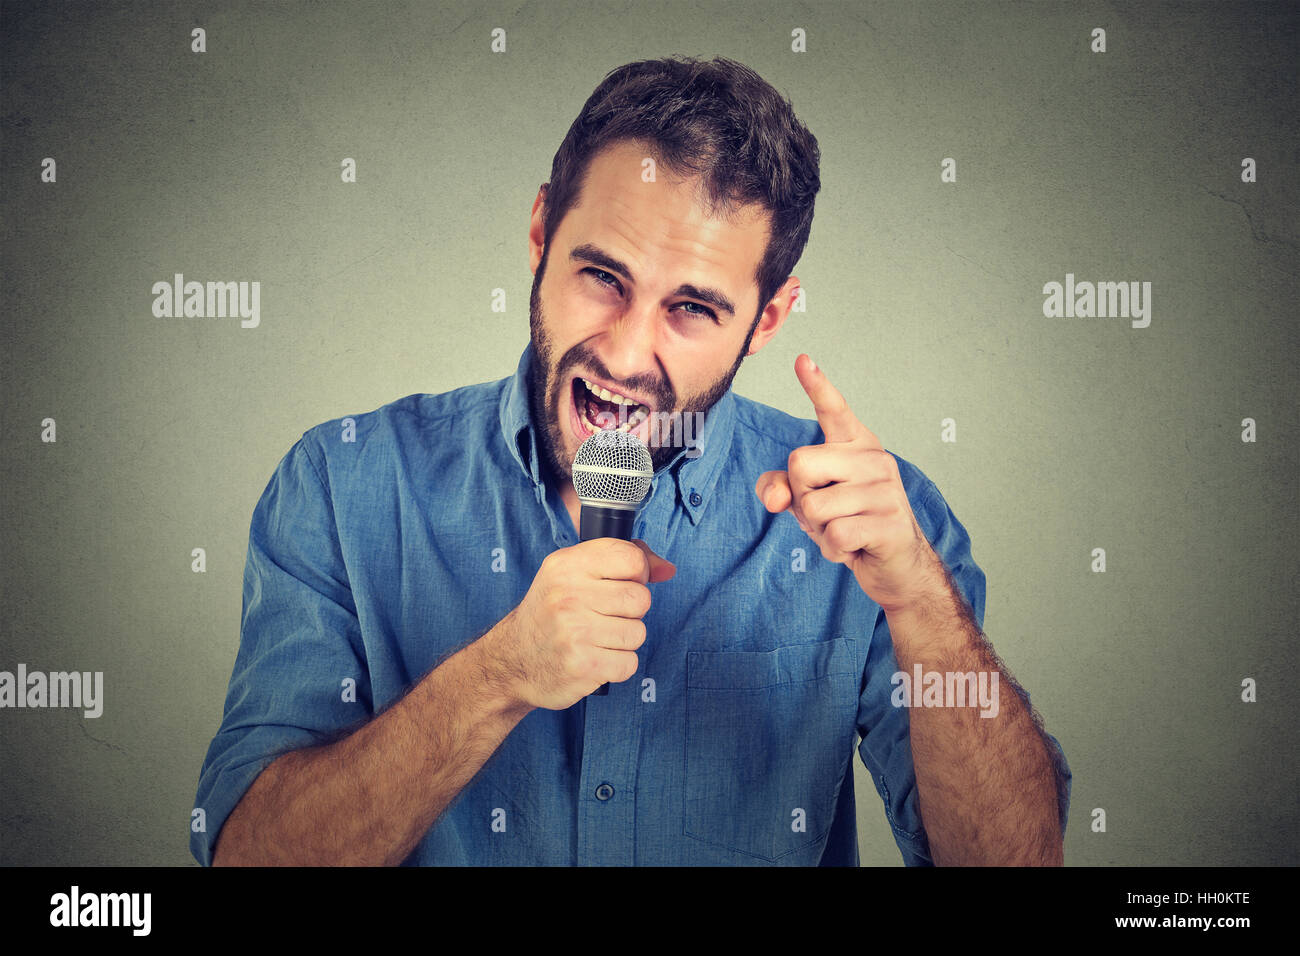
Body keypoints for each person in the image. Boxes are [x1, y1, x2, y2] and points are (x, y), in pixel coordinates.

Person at [191, 55, 1071, 867]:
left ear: (766, 320)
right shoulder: (344, 486)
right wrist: (496, 678)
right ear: (541, 232)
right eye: (603, 278)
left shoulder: (874, 525)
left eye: (691, 307)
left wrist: (919, 599)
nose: (623, 354)